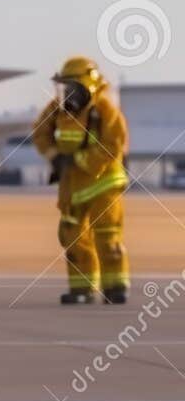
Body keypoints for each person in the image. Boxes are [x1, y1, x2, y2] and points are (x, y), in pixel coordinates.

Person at [32, 55, 129, 304]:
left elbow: (114, 144)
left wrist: (79, 160)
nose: (68, 92)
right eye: (65, 86)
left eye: (73, 86)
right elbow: (40, 132)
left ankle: (115, 287)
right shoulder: (58, 108)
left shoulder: (104, 110)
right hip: (73, 185)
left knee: (107, 235)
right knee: (71, 235)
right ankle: (81, 289)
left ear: (89, 85)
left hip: (103, 183)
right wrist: (55, 157)